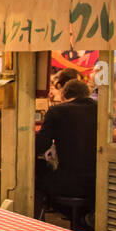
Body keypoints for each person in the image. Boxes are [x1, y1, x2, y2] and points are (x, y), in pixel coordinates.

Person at [36, 78, 97, 209]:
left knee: (36, 178)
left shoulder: (57, 111)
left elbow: (41, 144)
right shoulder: (99, 109)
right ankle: (82, 219)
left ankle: (38, 221)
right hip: (96, 184)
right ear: (87, 93)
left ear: (63, 95)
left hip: (68, 184)